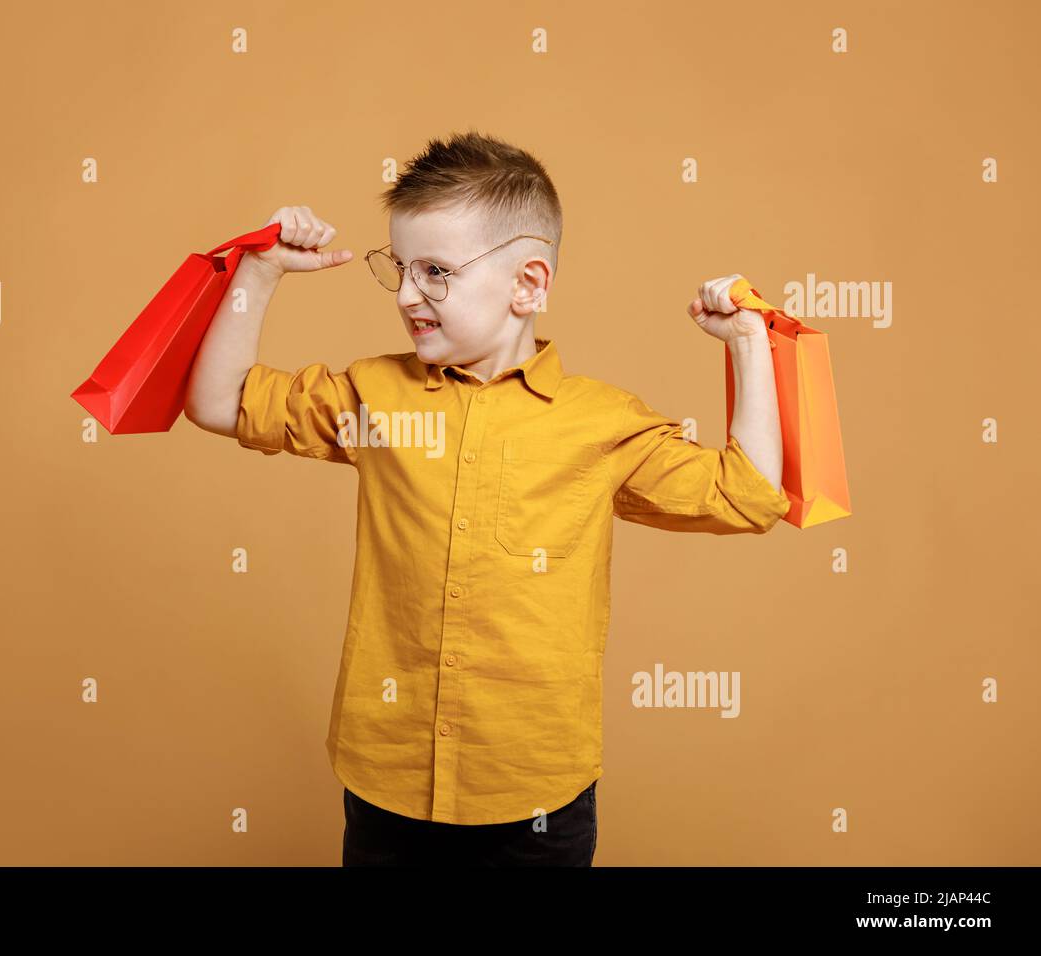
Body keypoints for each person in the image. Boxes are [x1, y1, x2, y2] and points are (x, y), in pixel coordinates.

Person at [184, 130, 790, 866]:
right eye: (401, 268)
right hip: (387, 783)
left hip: (535, 798)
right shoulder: (373, 395)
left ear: (529, 285)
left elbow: (750, 496)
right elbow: (218, 401)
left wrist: (748, 344)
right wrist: (260, 272)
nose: (409, 294)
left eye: (436, 271)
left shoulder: (601, 422)